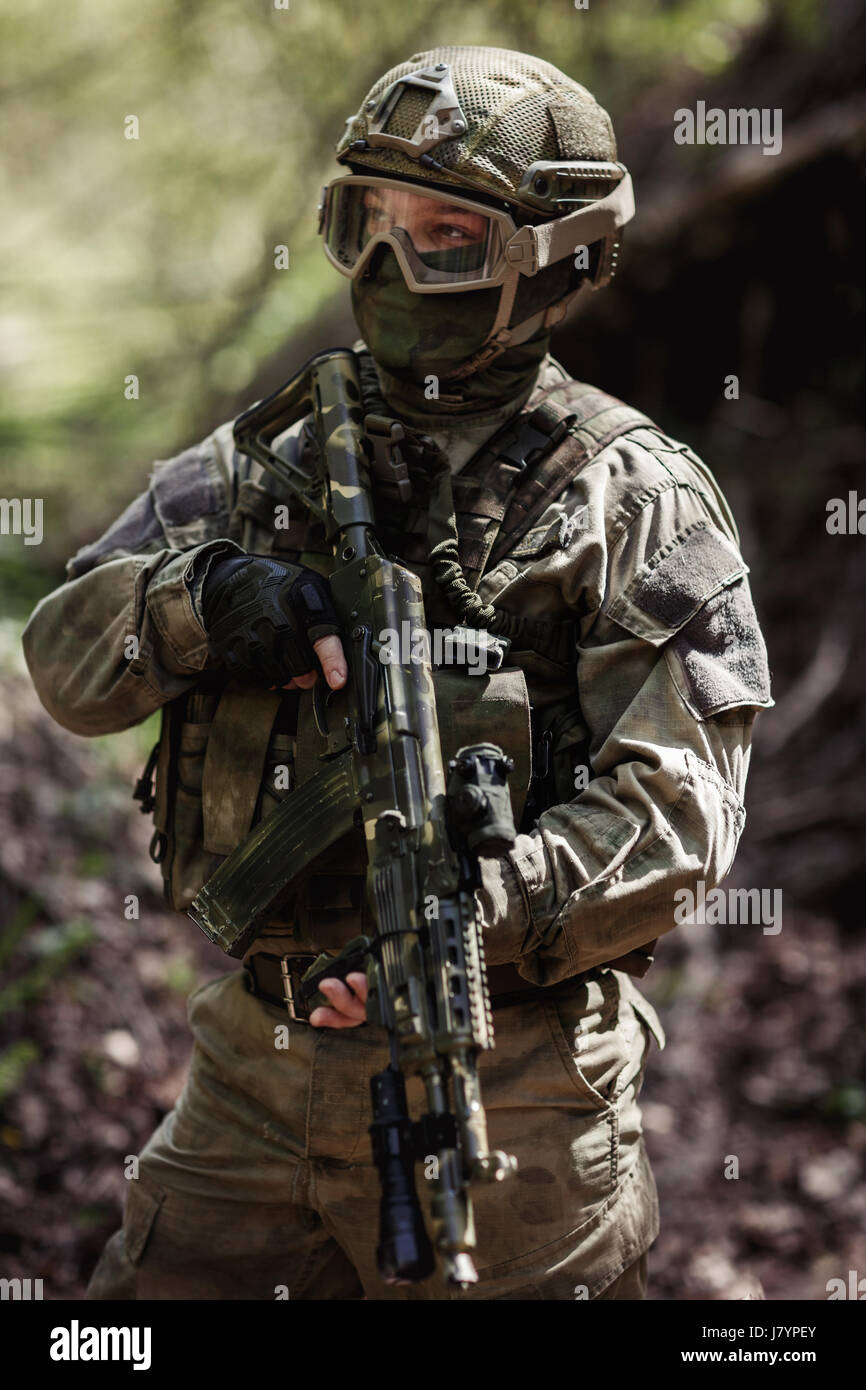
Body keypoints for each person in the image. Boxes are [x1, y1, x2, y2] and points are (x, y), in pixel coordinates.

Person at [22, 45, 773, 1301]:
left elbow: (678, 813)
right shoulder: (262, 459)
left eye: (439, 237)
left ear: (554, 260)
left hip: (512, 1086)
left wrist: (470, 913)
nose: (383, 266)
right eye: (362, 224)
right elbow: (62, 660)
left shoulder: (626, 498)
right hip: (255, 1069)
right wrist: (198, 601)